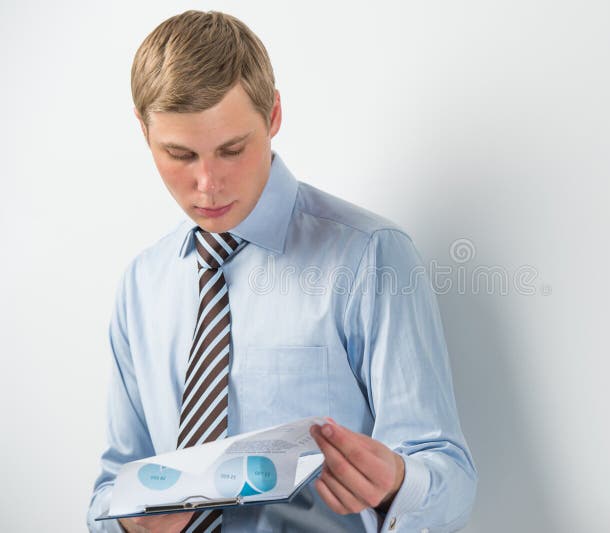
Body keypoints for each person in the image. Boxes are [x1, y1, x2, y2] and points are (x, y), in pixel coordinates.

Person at [87, 10, 477, 533]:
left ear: (272, 116)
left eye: (232, 150)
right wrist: (135, 523)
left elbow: (448, 473)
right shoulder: (141, 286)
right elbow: (109, 492)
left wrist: (398, 484)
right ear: (143, 131)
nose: (207, 184)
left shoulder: (369, 256)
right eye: (180, 154)